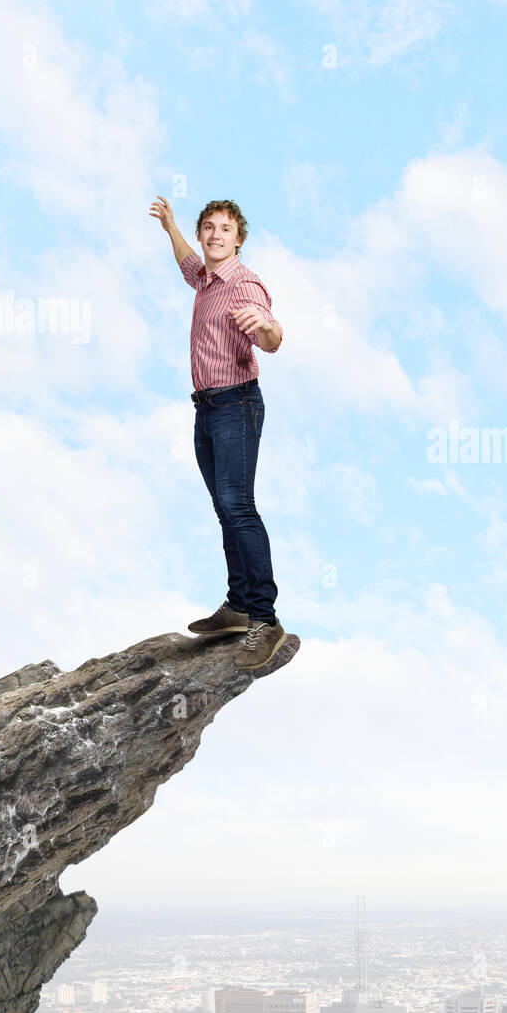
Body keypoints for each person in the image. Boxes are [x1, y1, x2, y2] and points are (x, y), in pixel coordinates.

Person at [149, 194, 296, 673]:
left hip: (236, 404)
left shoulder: (243, 285)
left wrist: (268, 328)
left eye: (225, 229)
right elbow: (188, 264)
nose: (215, 235)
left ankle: (264, 619)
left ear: (240, 238)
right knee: (224, 509)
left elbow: (271, 338)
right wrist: (171, 227)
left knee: (238, 507)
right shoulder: (206, 279)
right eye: (208, 227)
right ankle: (237, 606)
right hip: (207, 409)